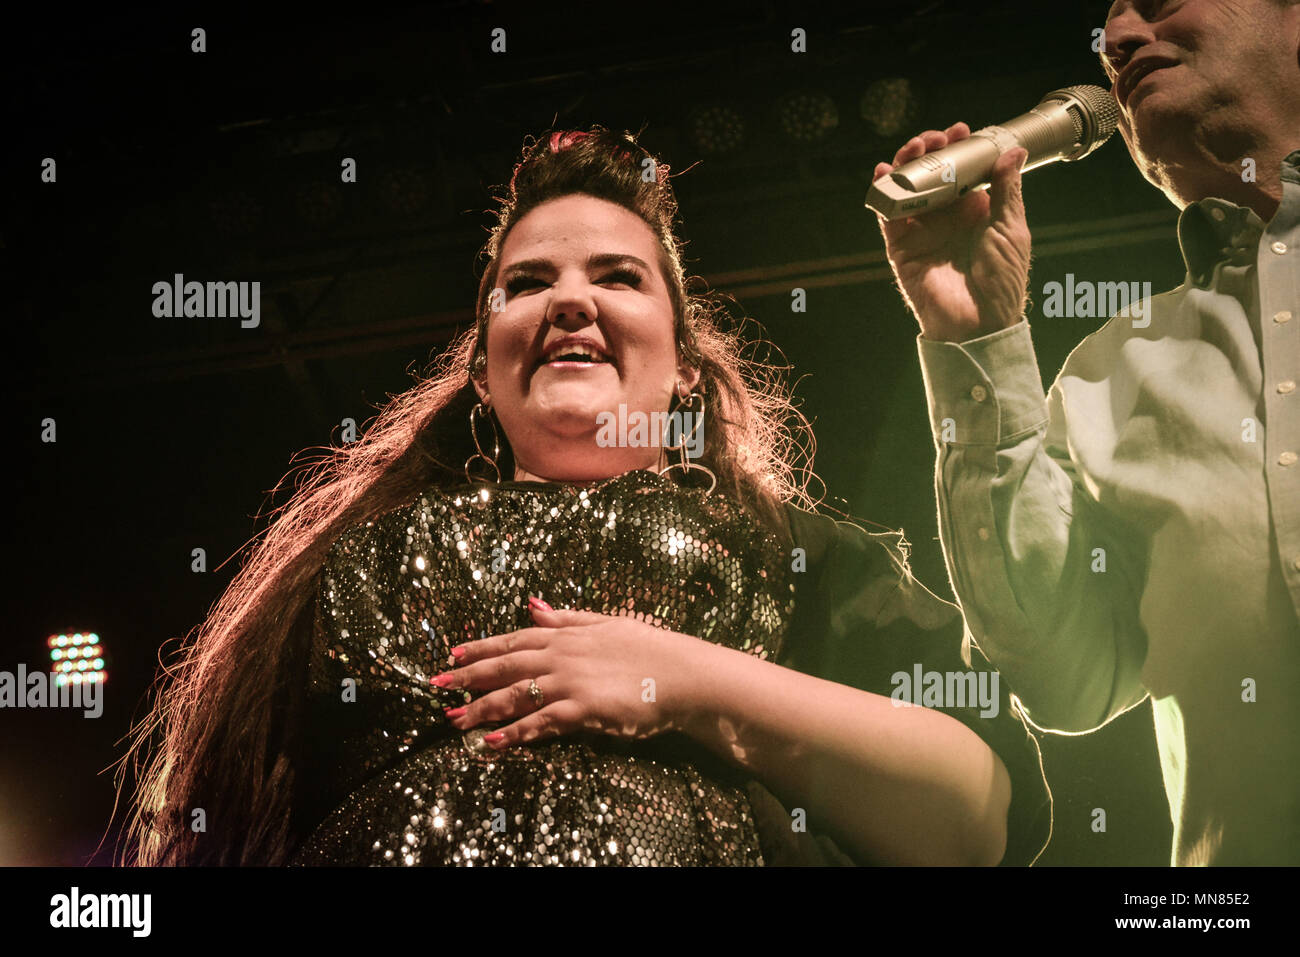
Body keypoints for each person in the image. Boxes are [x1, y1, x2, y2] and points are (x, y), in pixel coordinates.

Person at [122, 126, 1050, 867]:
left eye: (617, 276)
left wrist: (680, 677)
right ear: (482, 374)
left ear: (686, 366)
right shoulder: (351, 567)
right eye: (527, 284)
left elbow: (976, 818)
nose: (570, 301)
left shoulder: (796, 554)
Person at [873, 0, 1300, 865]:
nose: (1119, 39)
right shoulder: (1112, 374)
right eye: (1110, 29)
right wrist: (974, 335)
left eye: (1160, 1)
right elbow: (1065, 677)